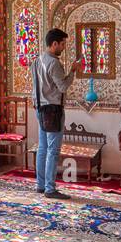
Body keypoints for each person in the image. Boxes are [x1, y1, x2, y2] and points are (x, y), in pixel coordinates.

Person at [33, 28, 84, 200]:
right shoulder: (54, 63)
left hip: (40, 109)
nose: (63, 47)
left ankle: (40, 185)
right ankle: (49, 188)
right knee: (53, 151)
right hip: (53, 110)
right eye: (62, 44)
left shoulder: (38, 60)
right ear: (54, 44)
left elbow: (35, 89)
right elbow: (62, 87)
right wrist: (73, 71)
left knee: (42, 148)